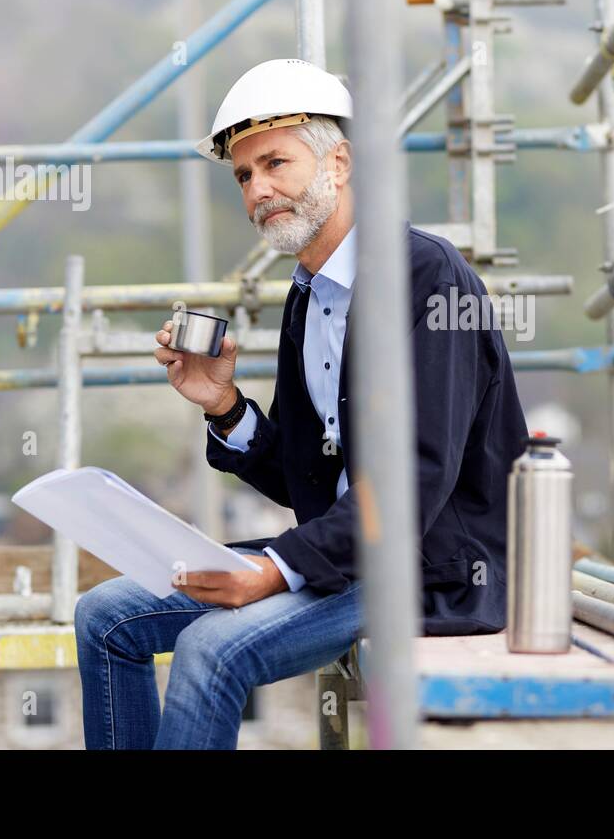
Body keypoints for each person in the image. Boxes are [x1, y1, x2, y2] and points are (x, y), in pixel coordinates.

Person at [73, 58, 528, 749]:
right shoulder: (308, 292)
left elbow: (414, 483)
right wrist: (225, 406)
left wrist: (274, 569)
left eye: (275, 163)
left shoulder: (431, 278)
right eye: (244, 176)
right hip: (336, 551)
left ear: (338, 163)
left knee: (210, 652)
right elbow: (303, 476)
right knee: (104, 615)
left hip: (421, 567)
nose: (258, 190)